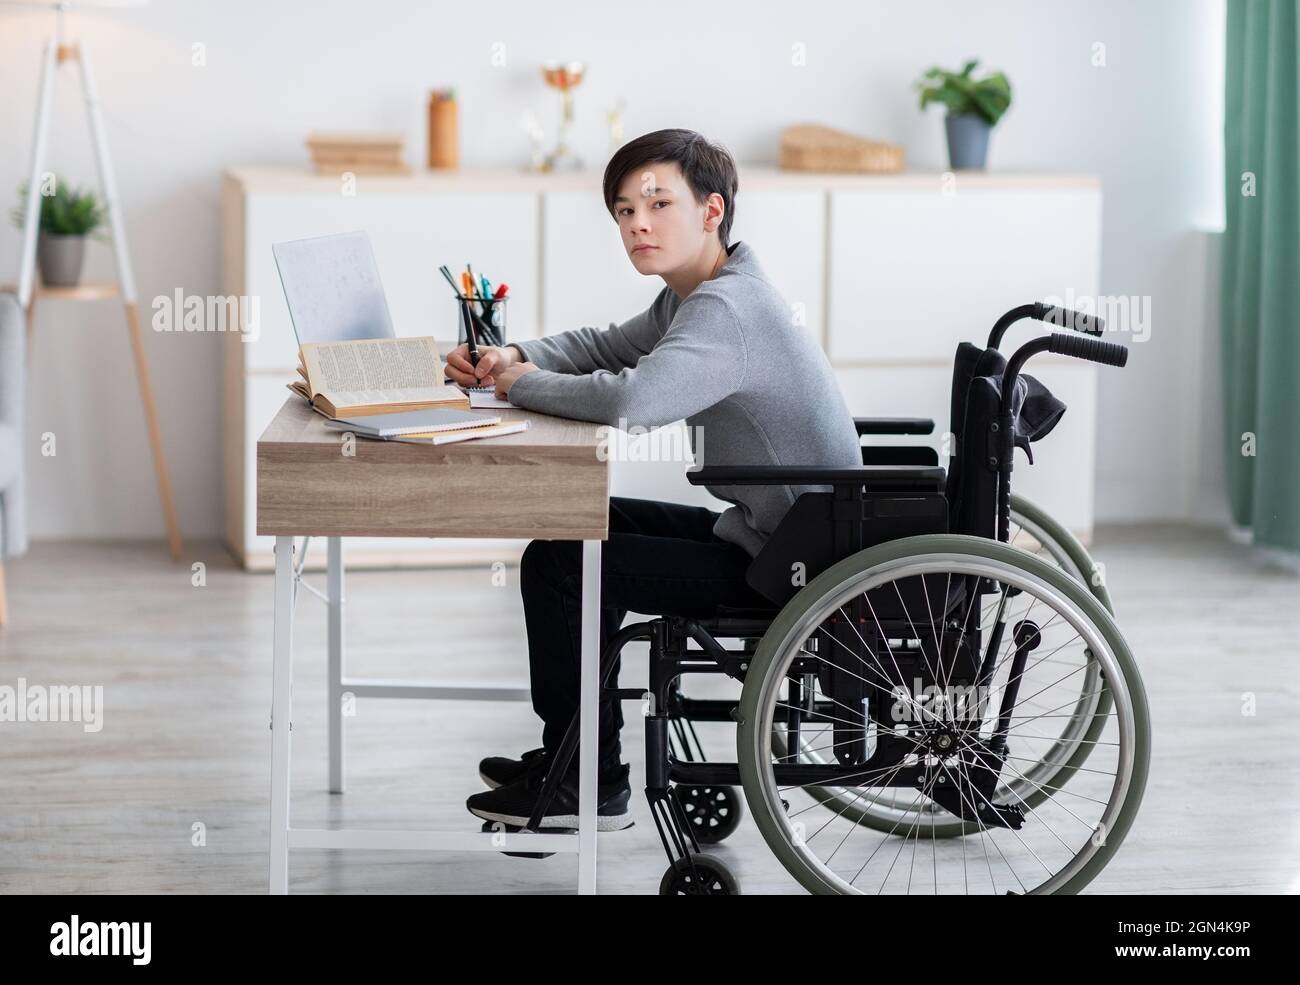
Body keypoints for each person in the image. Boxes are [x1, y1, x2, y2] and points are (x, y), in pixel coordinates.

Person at [442, 128, 862, 832]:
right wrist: (513, 354)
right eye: (623, 211)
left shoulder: (728, 310)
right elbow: (608, 346)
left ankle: (587, 780)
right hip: (771, 533)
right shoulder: (702, 292)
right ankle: (574, 756)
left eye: (657, 203)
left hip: (792, 562)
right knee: (579, 532)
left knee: (562, 563)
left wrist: (519, 387)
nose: (637, 223)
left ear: (711, 210)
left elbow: (633, 402)